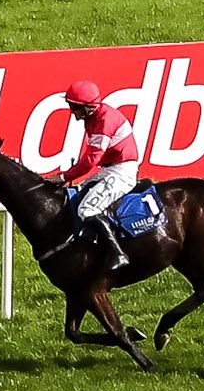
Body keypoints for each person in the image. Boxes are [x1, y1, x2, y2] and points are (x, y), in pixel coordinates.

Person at [50, 79, 138, 271]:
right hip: (110, 169)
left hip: (122, 170)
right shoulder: (94, 117)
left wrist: (64, 177)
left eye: (74, 107)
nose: (72, 111)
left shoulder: (105, 120)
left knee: (87, 210)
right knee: (78, 195)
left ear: (89, 107)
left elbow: (91, 159)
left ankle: (118, 253)